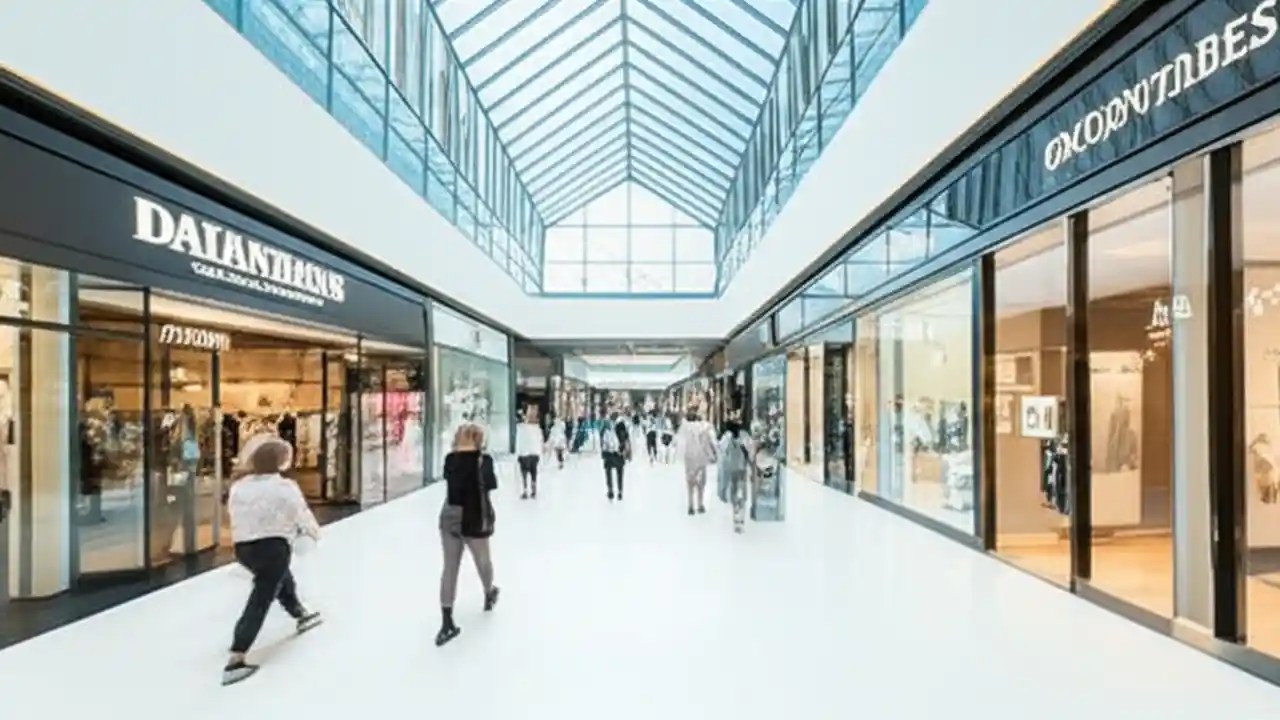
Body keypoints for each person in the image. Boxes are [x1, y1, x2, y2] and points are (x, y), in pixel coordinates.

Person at [222, 435, 322, 686]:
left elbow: (234, 516)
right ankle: (237, 656)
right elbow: (300, 513)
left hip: (244, 547)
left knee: (278, 578)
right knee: (262, 596)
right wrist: (313, 533)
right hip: (274, 545)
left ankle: (299, 611)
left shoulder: (239, 487)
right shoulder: (284, 487)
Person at [436, 422, 500, 647]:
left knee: (450, 568)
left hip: (449, 516)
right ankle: (488, 592)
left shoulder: (449, 460)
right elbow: (491, 485)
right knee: (483, 560)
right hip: (473, 517)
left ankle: (446, 622)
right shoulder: (484, 461)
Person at [717, 419, 754, 533]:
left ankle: (736, 517)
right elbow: (750, 450)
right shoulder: (744, 436)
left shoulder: (727, 436)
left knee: (733, 492)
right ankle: (741, 517)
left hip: (731, 468)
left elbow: (721, 448)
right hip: (742, 468)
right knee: (742, 492)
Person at [678, 411, 718, 515]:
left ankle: (690, 505)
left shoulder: (685, 429)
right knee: (701, 483)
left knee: (690, 482)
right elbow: (710, 442)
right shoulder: (705, 428)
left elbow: (680, 443)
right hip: (701, 457)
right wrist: (712, 456)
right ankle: (700, 505)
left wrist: (680, 456)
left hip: (689, 457)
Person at [600, 412, 631, 501]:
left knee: (609, 472)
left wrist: (603, 451)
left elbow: (602, 438)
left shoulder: (607, 425)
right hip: (617, 452)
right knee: (619, 472)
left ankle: (611, 490)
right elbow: (626, 438)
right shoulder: (621, 425)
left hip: (610, 452)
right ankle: (619, 491)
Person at [515, 408, 543, 500]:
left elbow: (519, 441)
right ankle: (533, 489)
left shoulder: (521, 428)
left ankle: (525, 490)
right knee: (533, 472)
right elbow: (540, 440)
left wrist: (518, 453)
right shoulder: (537, 428)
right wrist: (539, 452)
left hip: (524, 453)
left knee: (524, 473)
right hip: (534, 452)